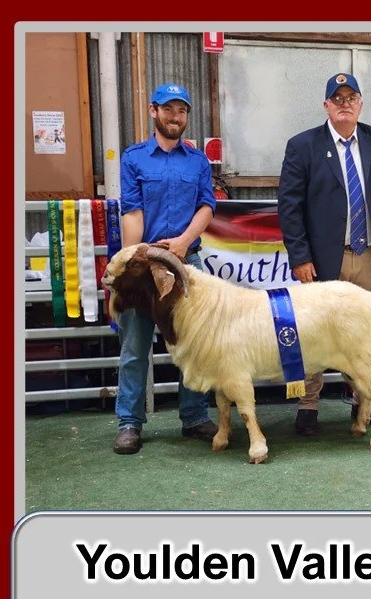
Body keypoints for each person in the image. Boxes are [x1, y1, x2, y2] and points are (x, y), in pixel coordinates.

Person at [278, 72, 371, 436]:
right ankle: (308, 405)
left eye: (351, 98)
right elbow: (290, 208)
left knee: (365, 335)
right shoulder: (302, 146)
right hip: (320, 261)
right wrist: (301, 258)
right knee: (314, 333)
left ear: (361, 103)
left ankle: (365, 402)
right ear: (326, 105)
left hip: (369, 258)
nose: (345, 104)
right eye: (338, 98)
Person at [113, 81, 219, 455]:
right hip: (144, 267)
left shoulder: (198, 161)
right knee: (135, 345)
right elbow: (132, 211)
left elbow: (207, 205)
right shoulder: (134, 159)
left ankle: (194, 417)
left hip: (186, 264)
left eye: (182, 110)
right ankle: (129, 422)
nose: (176, 116)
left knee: (193, 343)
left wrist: (183, 242)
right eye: (169, 109)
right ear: (153, 111)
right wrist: (135, 257)